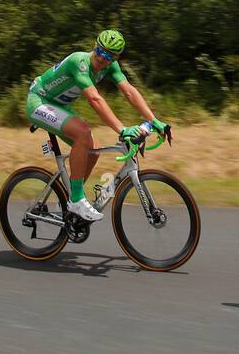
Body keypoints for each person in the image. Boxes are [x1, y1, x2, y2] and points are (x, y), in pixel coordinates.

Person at [25, 30, 170, 222]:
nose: (103, 58)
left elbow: (129, 92)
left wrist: (154, 120)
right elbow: (95, 99)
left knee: (92, 150)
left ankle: (71, 201)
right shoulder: (79, 62)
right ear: (95, 46)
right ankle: (77, 199)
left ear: (116, 58)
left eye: (110, 55)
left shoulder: (111, 66)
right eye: (101, 51)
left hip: (59, 105)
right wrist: (122, 130)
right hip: (39, 101)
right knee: (83, 133)